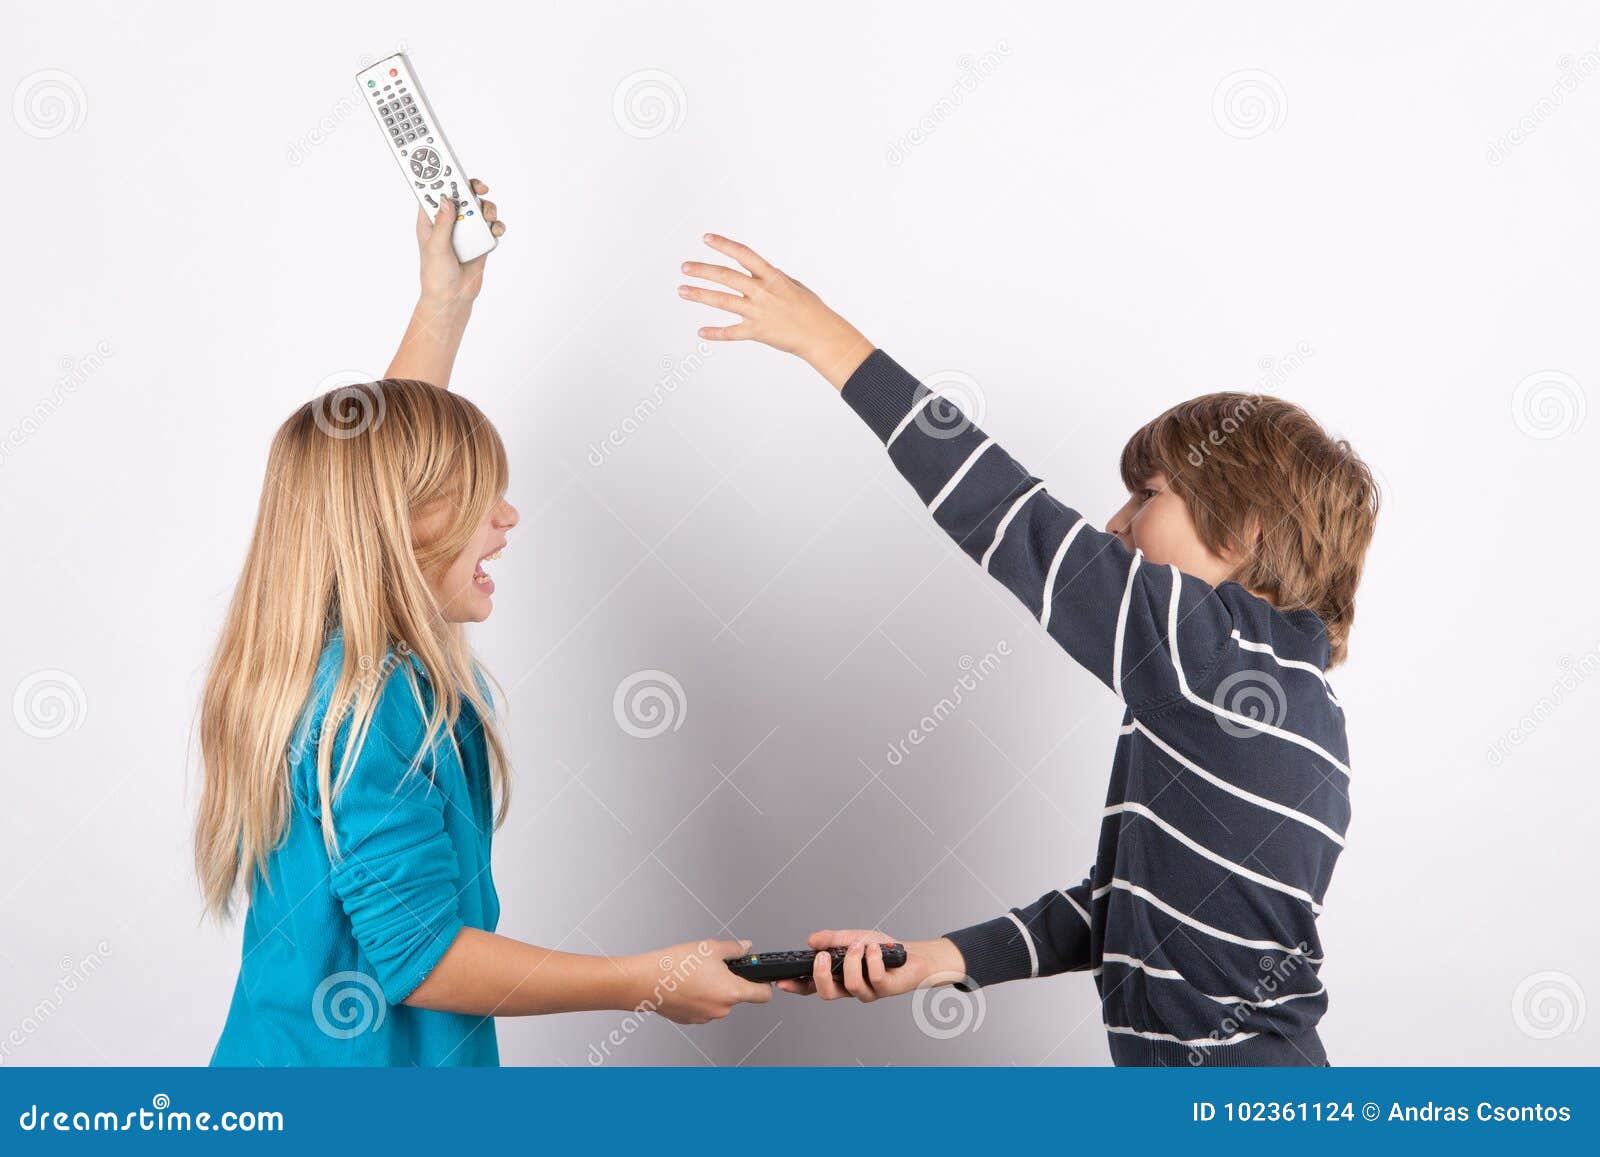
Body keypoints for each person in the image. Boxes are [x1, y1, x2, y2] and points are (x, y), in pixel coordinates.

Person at [678, 235, 1378, 1066]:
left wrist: (823, 336)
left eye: (1148, 496)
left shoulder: (1213, 658)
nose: (1116, 524)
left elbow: (1011, 517)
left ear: (1247, 529)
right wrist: (932, 960)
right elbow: (1117, 908)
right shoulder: (1264, 697)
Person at [198, 193, 770, 1067]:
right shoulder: (375, 698)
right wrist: (643, 981)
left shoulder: (315, 656)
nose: (505, 518)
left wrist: (444, 305)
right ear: (405, 525)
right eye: (475, 497)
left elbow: (365, 474)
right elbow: (421, 958)